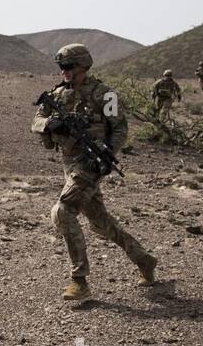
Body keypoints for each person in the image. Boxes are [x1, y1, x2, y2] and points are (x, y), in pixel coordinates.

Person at [31, 44, 157, 301]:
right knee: (101, 224)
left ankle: (80, 281)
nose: (64, 71)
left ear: (84, 66)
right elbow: (36, 120)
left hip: (90, 164)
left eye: (69, 67)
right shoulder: (56, 95)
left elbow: (120, 127)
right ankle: (144, 260)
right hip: (69, 163)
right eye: (61, 67)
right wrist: (49, 124)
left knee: (62, 212)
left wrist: (108, 151)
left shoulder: (104, 94)